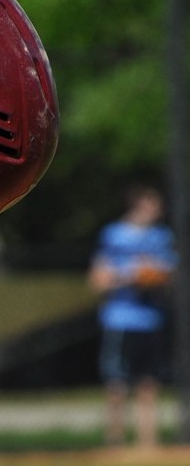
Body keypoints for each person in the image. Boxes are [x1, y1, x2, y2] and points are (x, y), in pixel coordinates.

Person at [88, 185, 177, 448]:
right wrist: (132, 276)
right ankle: (115, 440)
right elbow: (98, 278)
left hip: (150, 320)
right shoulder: (114, 235)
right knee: (117, 383)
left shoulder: (161, 236)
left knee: (148, 383)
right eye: (152, 204)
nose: (157, 210)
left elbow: (168, 272)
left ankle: (148, 442)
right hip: (121, 319)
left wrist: (151, 276)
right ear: (137, 205)